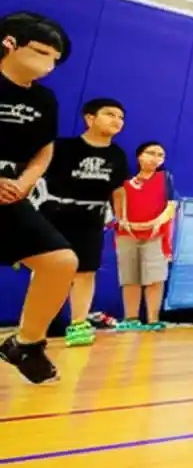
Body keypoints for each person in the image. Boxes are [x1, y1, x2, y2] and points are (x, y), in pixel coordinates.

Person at [0, 12, 78, 383]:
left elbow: (44, 150)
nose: (47, 65)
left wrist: (25, 182)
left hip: (10, 194)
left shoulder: (45, 100)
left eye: (54, 59)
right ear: (9, 43)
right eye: (40, 52)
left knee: (61, 261)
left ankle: (26, 344)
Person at [35, 98, 131, 347]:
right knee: (49, 270)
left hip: (91, 219)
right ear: (90, 118)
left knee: (86, 272)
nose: (117, 121)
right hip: (55, 215)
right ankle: (37, 324)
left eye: (121, 117)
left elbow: (118, 189)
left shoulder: (118, 155)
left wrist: (122, 217)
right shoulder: (63, 148)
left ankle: (78, 324)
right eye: (110, 114)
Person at [114, 141, 178, 331]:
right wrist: (124, 222)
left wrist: (156, 223)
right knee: (130, 277)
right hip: (127, 235)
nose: (155, 158)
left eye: (160, 155)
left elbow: (171, 206)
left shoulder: (165, 178)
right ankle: (130, 318)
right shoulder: (125, 181)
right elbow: (118, 203)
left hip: (156, 235)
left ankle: (153, 319)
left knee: (155, 278)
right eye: (151, 153)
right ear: (139, 156)